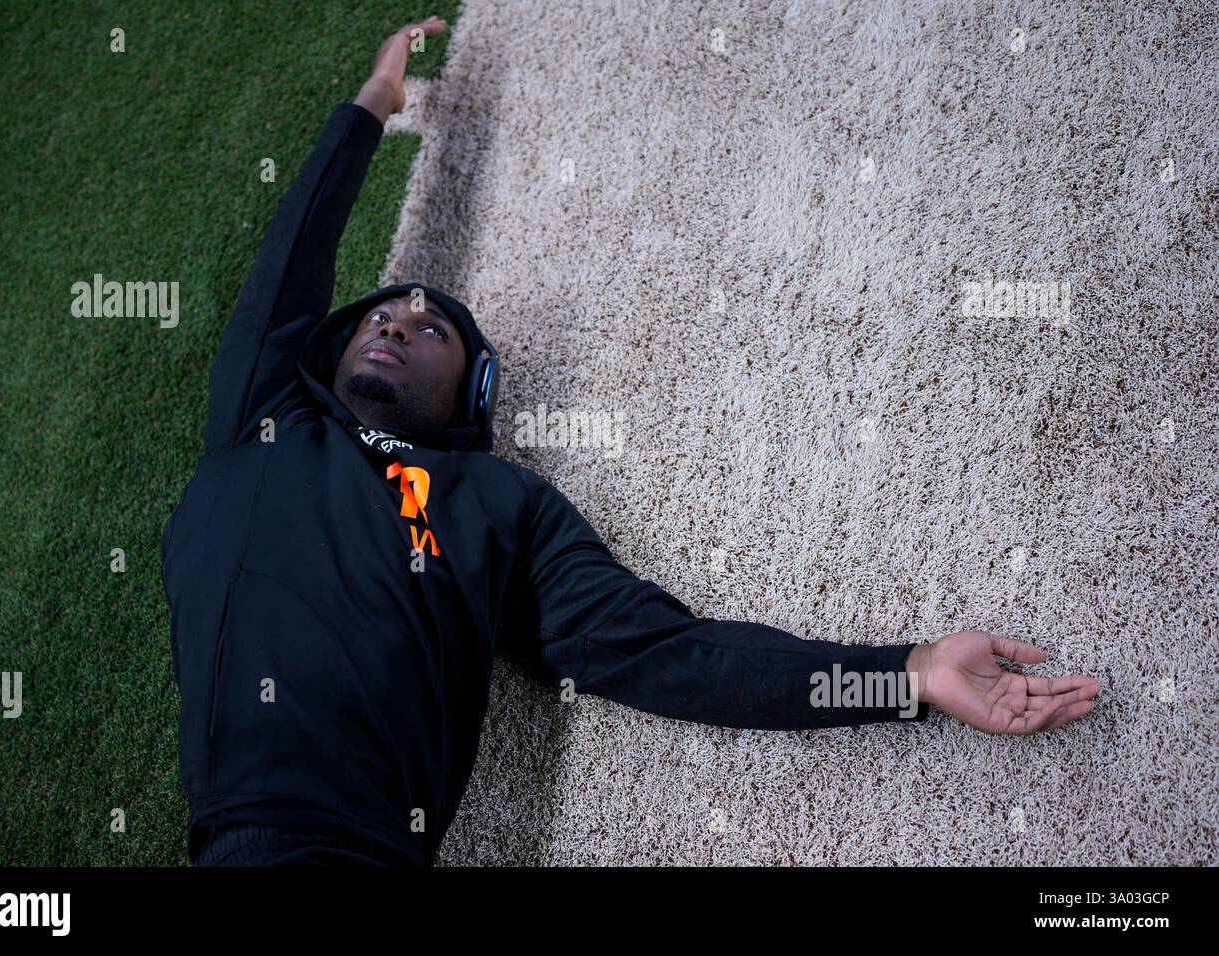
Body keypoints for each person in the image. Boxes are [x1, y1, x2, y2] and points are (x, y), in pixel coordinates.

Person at [160, 16, 1101, 867]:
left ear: (470, 399)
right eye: (382, 317)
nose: (396, 324)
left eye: (431, 327)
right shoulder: (265, 412)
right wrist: (375, 100)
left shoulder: (499, 506)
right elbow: (294, 253)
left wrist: (907, 673)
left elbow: (667, 654)